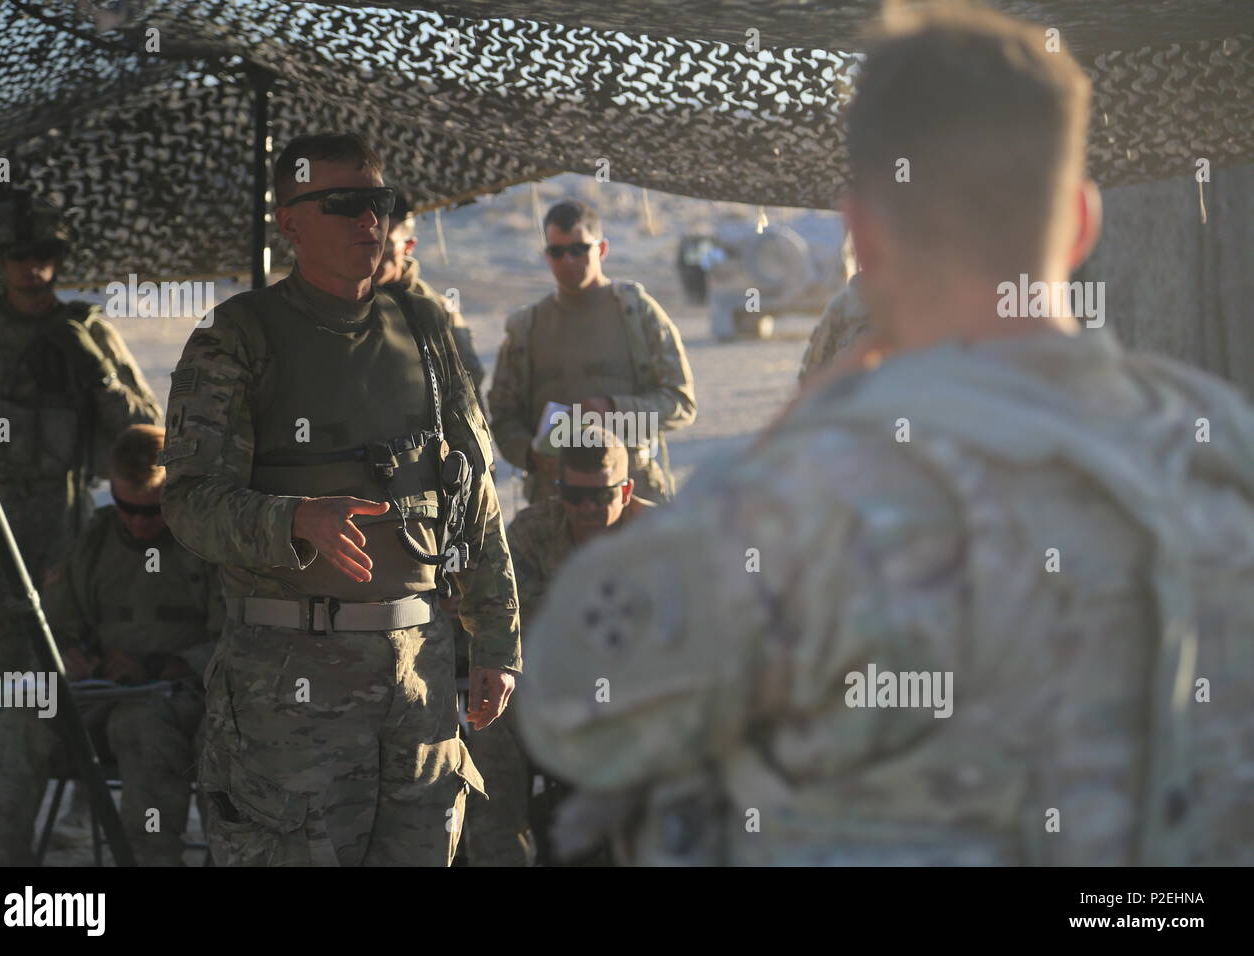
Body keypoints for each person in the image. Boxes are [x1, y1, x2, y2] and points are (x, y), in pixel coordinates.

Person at [515, 3, 1254, 866]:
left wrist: (779, 446)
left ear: (860, 230)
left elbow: (574, 708)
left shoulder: (806, 494)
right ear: (1083, 218)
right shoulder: (1223, 450)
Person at [160, 131, 521, 867]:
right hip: (290, 683)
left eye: (380, 204)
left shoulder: (424, 332)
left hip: (419, 675)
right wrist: (291, 521)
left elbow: (473, 492)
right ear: (289, 219)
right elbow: (190, 502)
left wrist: (498, 641)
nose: (370, 222)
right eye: (346, 204)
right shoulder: (236, 337)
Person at [0, 189, 162, 858]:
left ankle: (66, 811)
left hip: (65, 521)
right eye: (19, 256)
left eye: (44, 255)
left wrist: (95, 368)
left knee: (58, 668)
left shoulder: (88, 330)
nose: (32, 269)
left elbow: (141, 438)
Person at [0, 425, 220, 866]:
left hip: (173, 697)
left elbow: (234, 638)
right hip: (97, 689)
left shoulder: (203, 544)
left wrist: (166, 665)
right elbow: (55, 620)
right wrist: (65, 654)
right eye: (127, 508)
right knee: (19, 720)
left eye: (151, 510)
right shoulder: (96, 539)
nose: (139, 522)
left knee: (141, 731)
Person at [464, 424, 653, 865]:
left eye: (601, 496)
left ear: (625, 490)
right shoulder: (534, 531)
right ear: (557, 487)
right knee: (492, 722)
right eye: (574, 494)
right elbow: (507, 619)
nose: (586, 508)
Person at [488, 199, 696, 505]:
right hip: (554, 502)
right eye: (557, 251)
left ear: (601, 249)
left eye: (579, 249)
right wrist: (531, 454)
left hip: (629, 494)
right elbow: (503, 417)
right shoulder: (527, 327)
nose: (568, 260)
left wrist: (612, 409)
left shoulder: (637, 314)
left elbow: (680, 403)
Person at [373, 192, 487, 413]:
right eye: (370, 241)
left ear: (409, 246)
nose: (374, 253)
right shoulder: (344, 303)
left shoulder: (437, 310)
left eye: (386, 244)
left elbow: (469, 388)